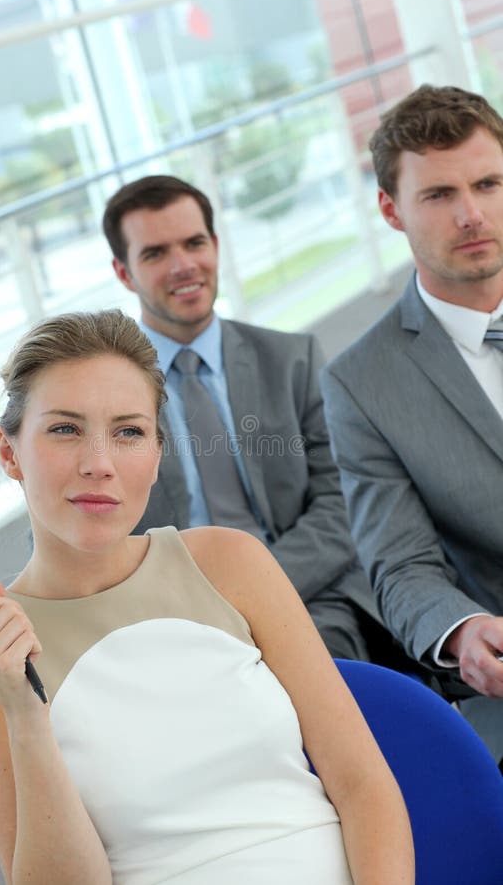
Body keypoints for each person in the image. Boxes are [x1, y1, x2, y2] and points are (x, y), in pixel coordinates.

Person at [0, 309, 413, 885]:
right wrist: (26, 719)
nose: (99, 464)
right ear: (10, 453)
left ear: (159, 454)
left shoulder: (229, 563)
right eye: (65, 429)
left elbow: (362, 784)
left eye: (128, 432)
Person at [101, 174, 389, 664]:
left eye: (194, 243)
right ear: (125, 273)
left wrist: (253, 589)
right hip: (170, 622)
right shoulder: (104, 395)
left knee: (329, 672)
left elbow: (343, 502)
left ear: (215, 246)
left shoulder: (291, 360)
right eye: (155, 253)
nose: (183, 266)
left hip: (305, 593)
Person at [320, 83, 503, 763]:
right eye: (438, 195)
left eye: (488, 184)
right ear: (391, 210)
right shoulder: (361, 383)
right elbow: (400, 566)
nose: (471, 214)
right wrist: (463, 632)